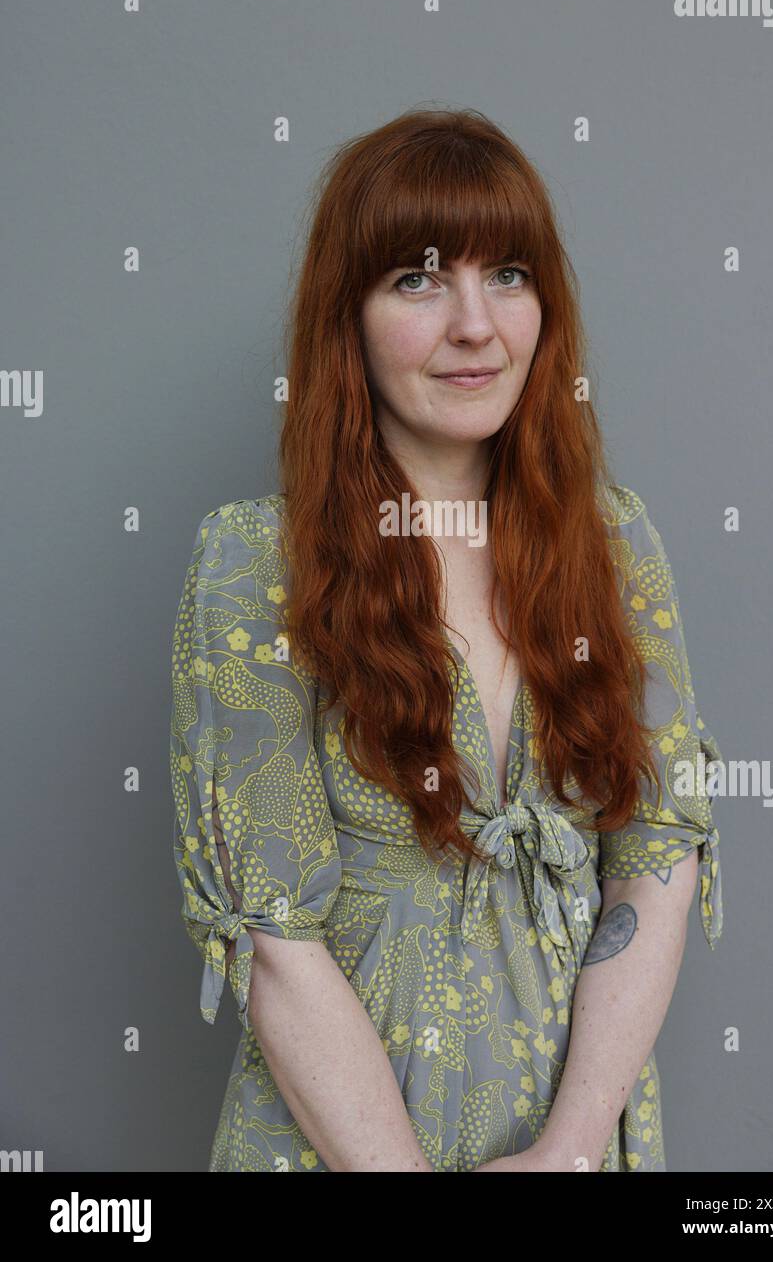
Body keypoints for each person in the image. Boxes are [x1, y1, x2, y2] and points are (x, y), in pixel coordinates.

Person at [169, 106, 723, 1172]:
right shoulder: (252, 570)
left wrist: (565, 1153)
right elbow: (274, 940)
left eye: (508, 273)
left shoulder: (617, 544)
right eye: (418, 281)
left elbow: (657, 856)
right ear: (350, 319)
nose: (477, 324)